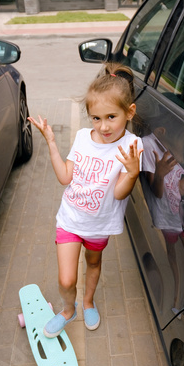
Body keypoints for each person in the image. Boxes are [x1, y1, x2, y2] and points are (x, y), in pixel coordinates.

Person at [27, 62, 142, 337]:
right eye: (96, 118)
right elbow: (66, 177)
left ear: (129, 112)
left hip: (100, 225)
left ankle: (87, 302)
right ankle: (69, 310)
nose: (103, 126)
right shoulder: (82, 137)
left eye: (111, 117)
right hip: (70, 219)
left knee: (93, 263)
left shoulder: (132, 145)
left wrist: (133, 172)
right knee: (66, 279)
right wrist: (51, 143)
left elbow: (118, 193)